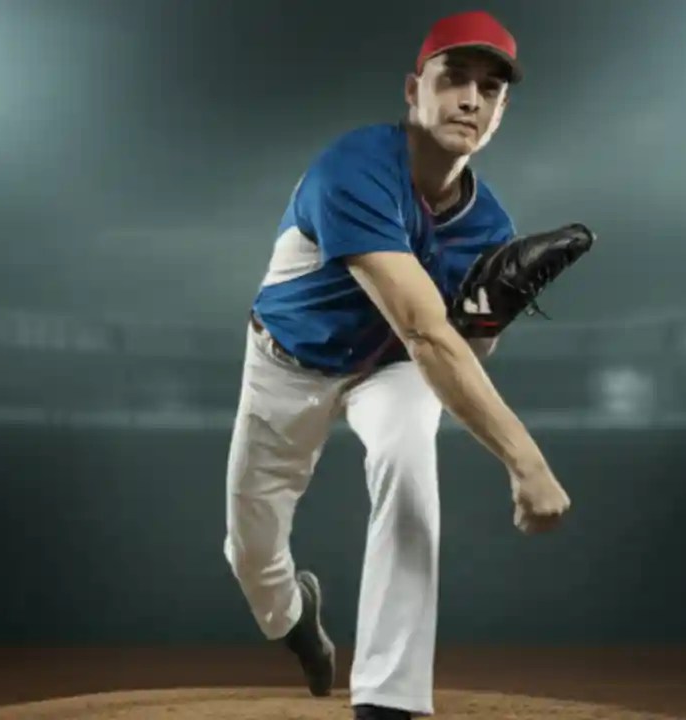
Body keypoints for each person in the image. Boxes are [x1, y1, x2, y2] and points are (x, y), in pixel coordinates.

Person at [222, 10, 571, 719]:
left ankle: (389, 699)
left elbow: (457, 357)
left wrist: (486, 322)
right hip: (287, 366)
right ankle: (292, 616)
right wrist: (526, 461)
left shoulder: (490, 227)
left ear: (502, 112)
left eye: (491, 89)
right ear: (415, 89)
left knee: (410, 457)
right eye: (454, 79)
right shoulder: (353, 169)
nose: (472, 99)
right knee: (251, 553)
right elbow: (422, 328)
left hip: (388, 371)